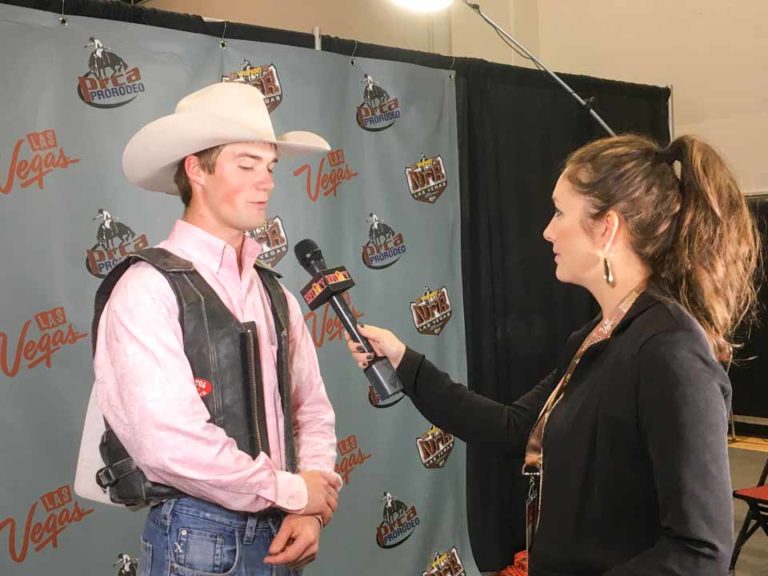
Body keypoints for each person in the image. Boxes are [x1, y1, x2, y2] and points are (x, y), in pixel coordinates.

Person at [347, 134, 760, 575]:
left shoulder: (670, 350)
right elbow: (510, 428)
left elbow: (699, 551)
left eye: (561, 211)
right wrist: (406, 363)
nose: (547, 229)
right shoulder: (596, 339)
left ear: (608, 228)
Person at [83, 82, 342, 576]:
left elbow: (311, 406)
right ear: (195, 169)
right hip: (197, 535)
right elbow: (170, 445)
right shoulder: (147, 289)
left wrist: (309, 507)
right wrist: (294, 490)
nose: (265, 182)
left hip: (282, 531)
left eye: (270, 167)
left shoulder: (274, 293)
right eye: (246, 165)